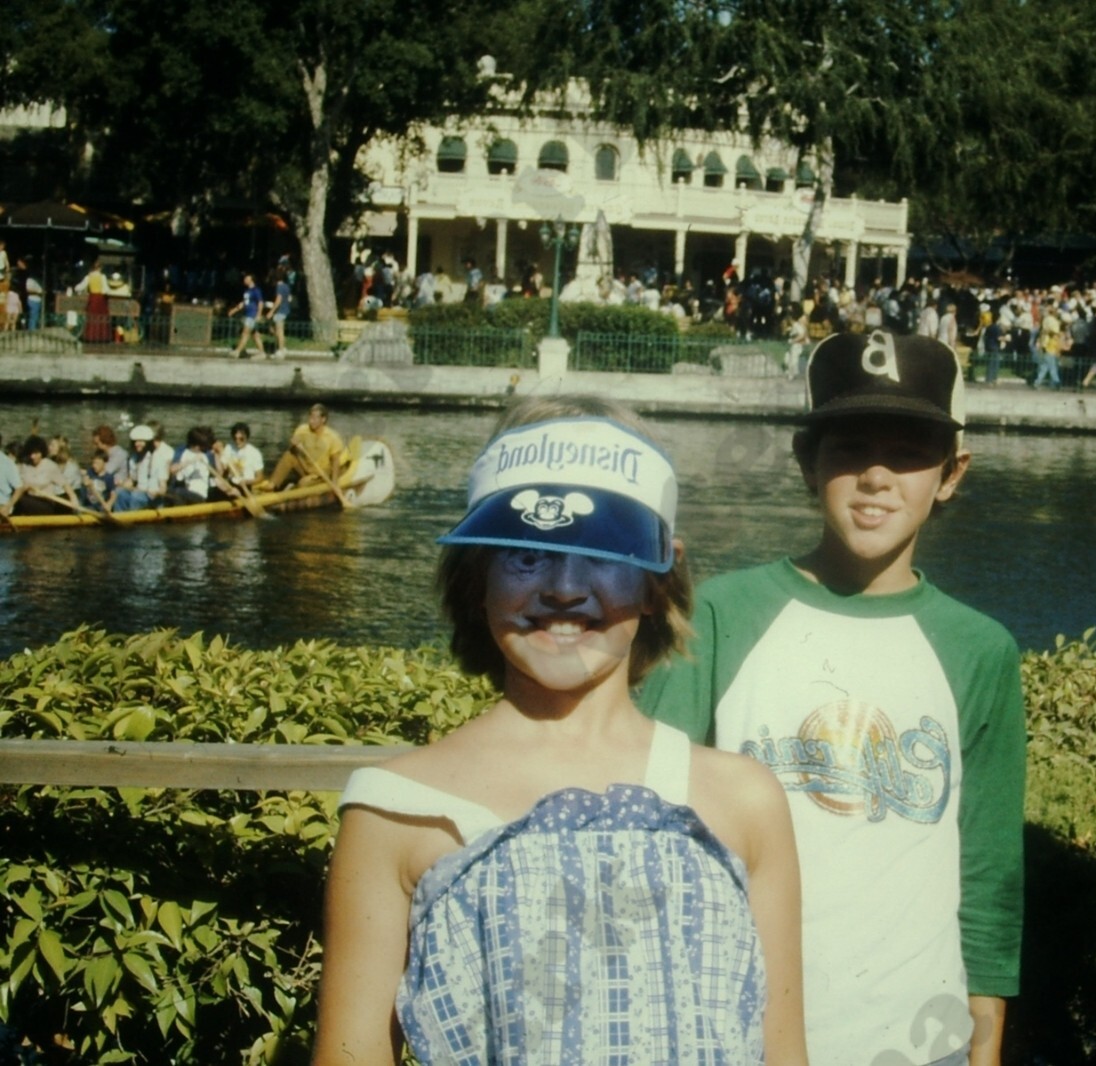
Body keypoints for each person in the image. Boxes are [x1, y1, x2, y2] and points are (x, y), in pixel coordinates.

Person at [312, 396, 806, 1065]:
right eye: (525, 552)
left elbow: (782, 1052)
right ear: (475, 575)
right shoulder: (391, 810)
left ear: (660, 577)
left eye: (604, 550)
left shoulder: (745, 802)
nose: (566, 588)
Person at [640, 330, 1025, 1066]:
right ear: (805, 463)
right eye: (849, 447)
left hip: (919, 1038)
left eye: (910, 449)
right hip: (738, 1032)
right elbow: (657, 821)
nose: (877, 475)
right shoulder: (723, 613)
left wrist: (984, 1038)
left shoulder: (982, 649)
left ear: (952, 473)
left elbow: (988, 871)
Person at [261, 403, 348, 491]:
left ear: (323, 419)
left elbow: (335, 461)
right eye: (310, 417)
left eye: (314, 418)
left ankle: (292, 490)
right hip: (306, 468)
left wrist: (334, 482)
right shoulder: (302, 430)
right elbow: (293, 450)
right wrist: (293, 445)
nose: (311, 421)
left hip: (322, 474)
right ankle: (273, 484)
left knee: (303, 483)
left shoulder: (332, 437)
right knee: (288, 455)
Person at [113, 423, 172, 512]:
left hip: (152, 498)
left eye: (141, 441)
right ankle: (119, 518)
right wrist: (121, 485)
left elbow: (163, 486)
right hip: (138, 492)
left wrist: (158, 492)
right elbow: (131, 480)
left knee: (137, 497)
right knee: (120, 493)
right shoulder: (134, 458)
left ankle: (134, 521)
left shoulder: (158, 458)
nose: (137, 444)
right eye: (135, 441)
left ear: (148, 443)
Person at [228, 273, 269, 359]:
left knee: (245, 333)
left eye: (247, 278)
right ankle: (262, 353)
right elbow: (244, 303)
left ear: (251, 280)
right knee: (255, 335)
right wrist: (234, 310)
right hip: (247, 314)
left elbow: (260, 302)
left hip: (252, 315)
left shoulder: (256, 290)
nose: (245, 280)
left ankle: (238, 351)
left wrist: (259, 314)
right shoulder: (247, 291)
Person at [77, 259, 113, 343]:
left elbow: (80, 287)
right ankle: (102, 337)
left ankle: (91, 336)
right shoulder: (102, 277)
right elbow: (105, 289)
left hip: (92, 298)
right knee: (101, 318)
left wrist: (78, 290)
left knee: (92, 317)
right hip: (100, 299)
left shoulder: (88, 277)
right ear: (100, 268)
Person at [220, 422, 265, 489]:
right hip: (230, 484)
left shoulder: (255, 453)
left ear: (247, 438)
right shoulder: (229, 447)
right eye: (235, 438)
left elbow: (260, 478)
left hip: (245, 486)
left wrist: (246, 482)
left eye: (241, 439)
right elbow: (223, 470)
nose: (237, 441)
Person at [264, 266, 293, 358]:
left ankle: (280, 350)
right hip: (285, 310)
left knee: (279, 331)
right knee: (276, 330)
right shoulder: (286, 286)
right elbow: (289, 298)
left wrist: (271, 312)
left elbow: (278, 300)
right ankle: (282, 347)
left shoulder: (279, 287)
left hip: (279, 311)